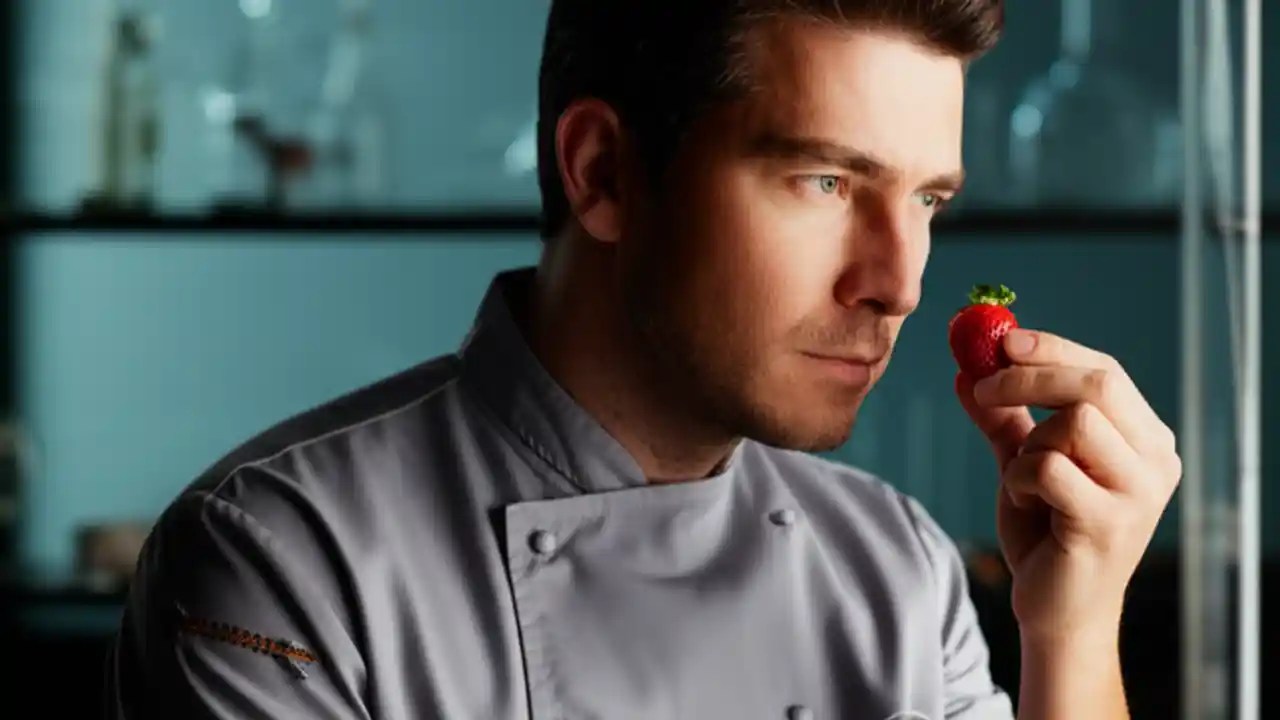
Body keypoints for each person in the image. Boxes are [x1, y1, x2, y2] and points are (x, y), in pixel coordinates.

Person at [106, 1, 1182, 718]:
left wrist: (1073, 629)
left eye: (926, 200)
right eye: (823, 183)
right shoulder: (283, 562)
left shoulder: (894, 565)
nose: (898, 281)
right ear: (602, 172)